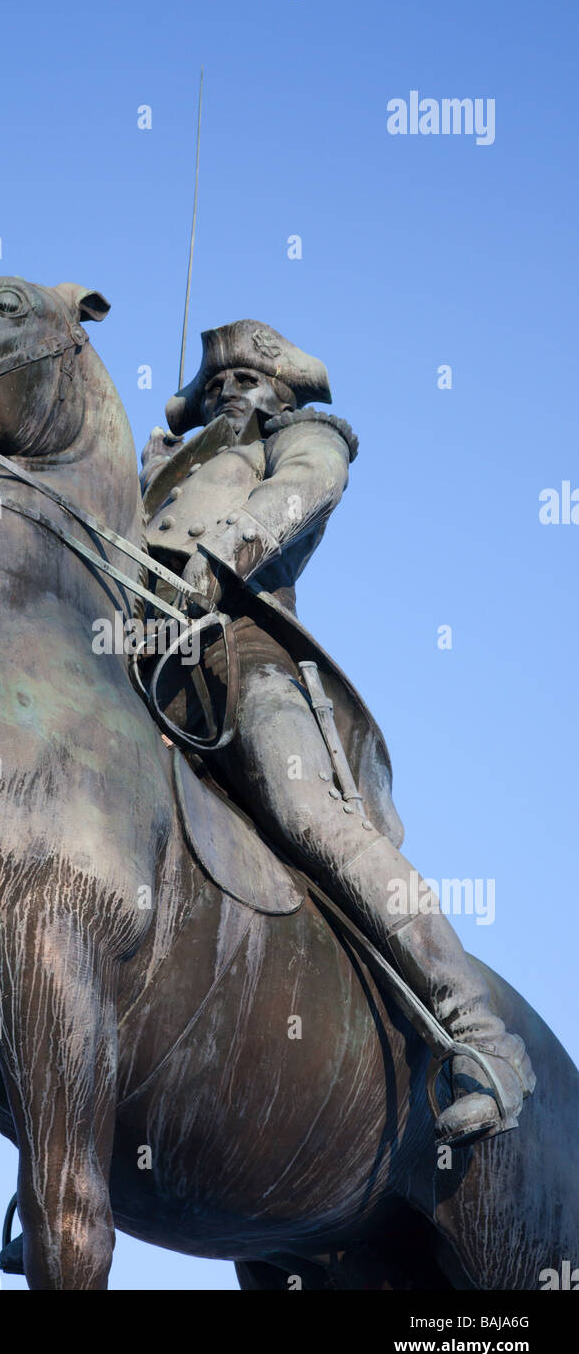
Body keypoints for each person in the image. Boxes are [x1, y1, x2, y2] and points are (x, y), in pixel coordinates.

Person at [140, 320, 535, 1146]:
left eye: (248, 385)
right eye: (217, 387)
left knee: (304, 812)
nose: (229, 397)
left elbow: (301, 494)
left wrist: (220, 553)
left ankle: (483, 1037)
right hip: (141, 664)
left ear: (281, 396)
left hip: (243, 651)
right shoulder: (162, 465)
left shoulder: (310, 440)